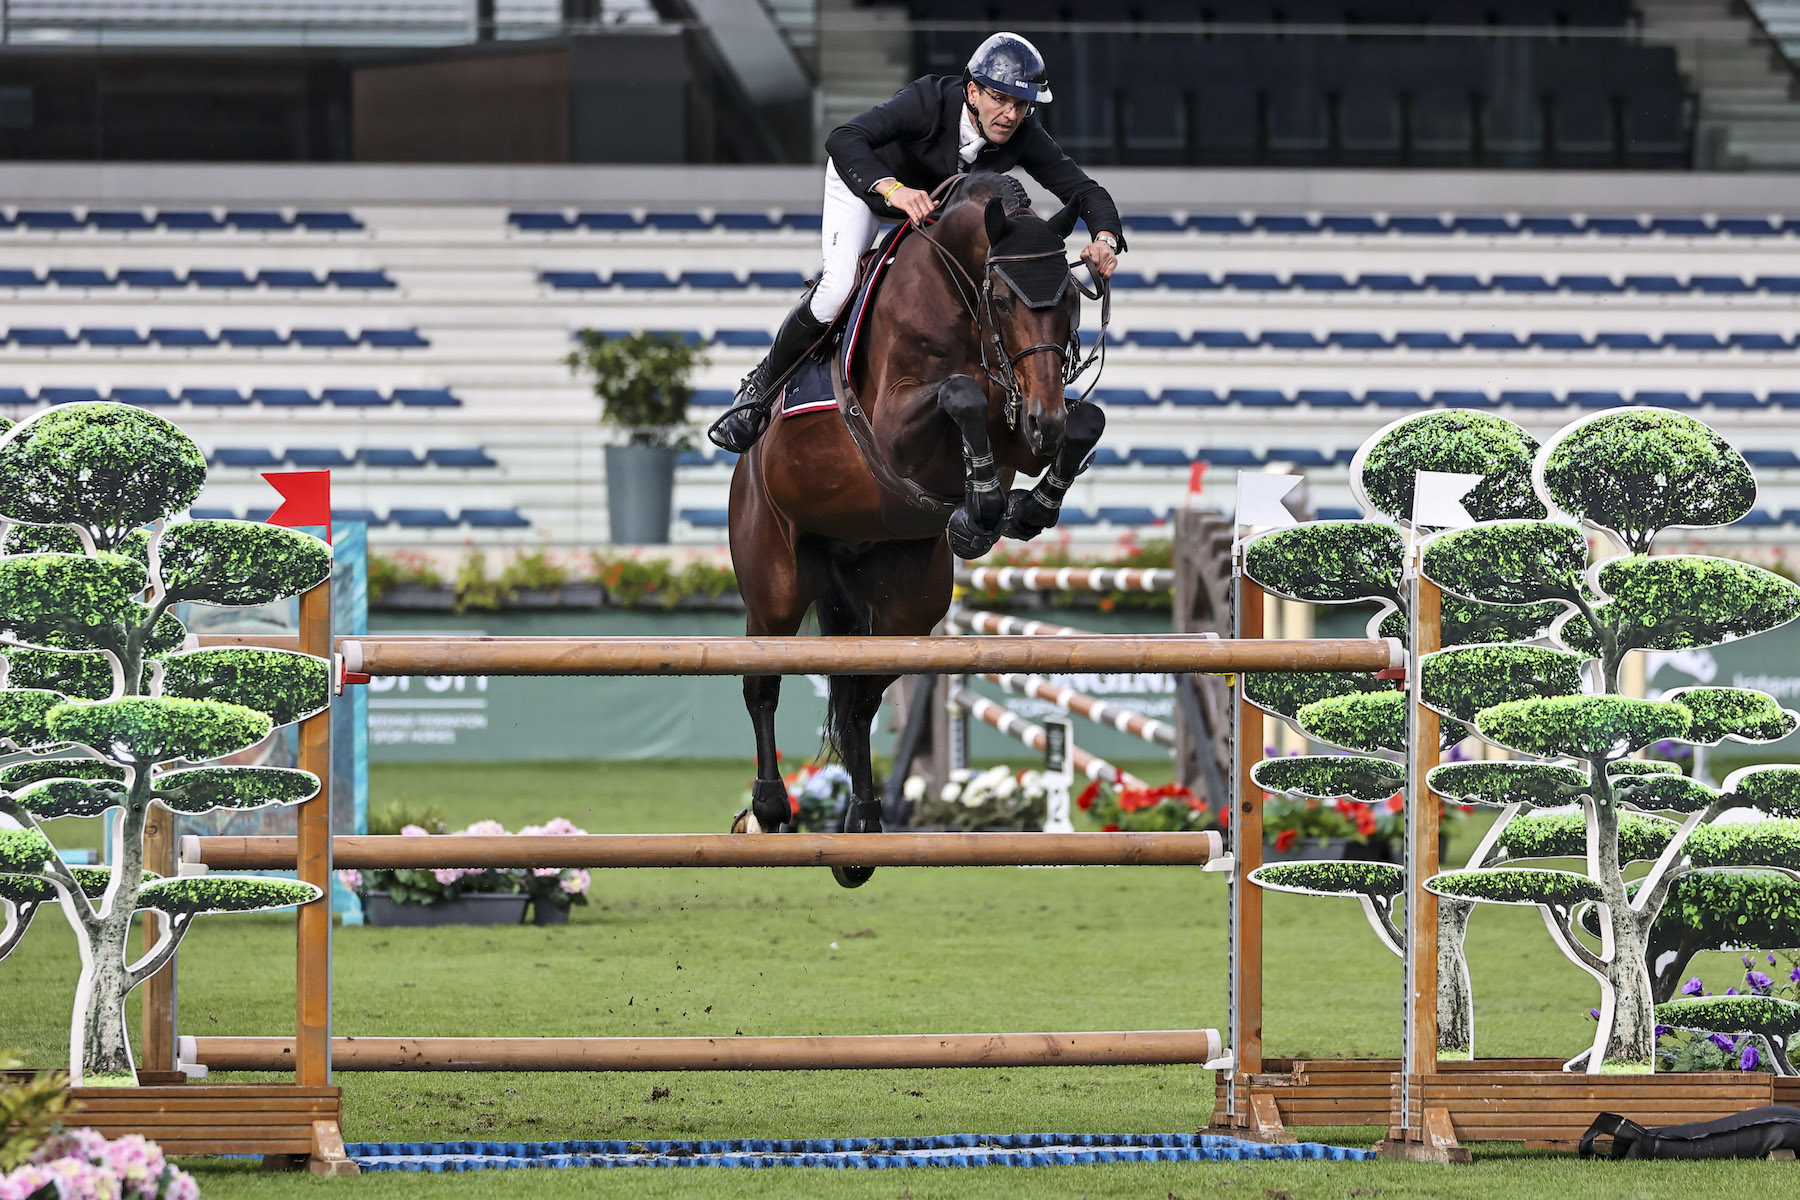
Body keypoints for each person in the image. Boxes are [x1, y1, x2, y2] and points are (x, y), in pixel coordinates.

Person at [707, 31, 1126, 454]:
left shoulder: (1023, 133)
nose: (1011, 114)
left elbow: (1086, 191)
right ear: (973, 91)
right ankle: (758, 391)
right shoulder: (928, 100)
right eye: (1000, 99)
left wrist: (1104, 239)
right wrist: (892, 189)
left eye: (1021, 105)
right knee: (838, 288)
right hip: (867, 191)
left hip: (931, 217)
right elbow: (844, 138)